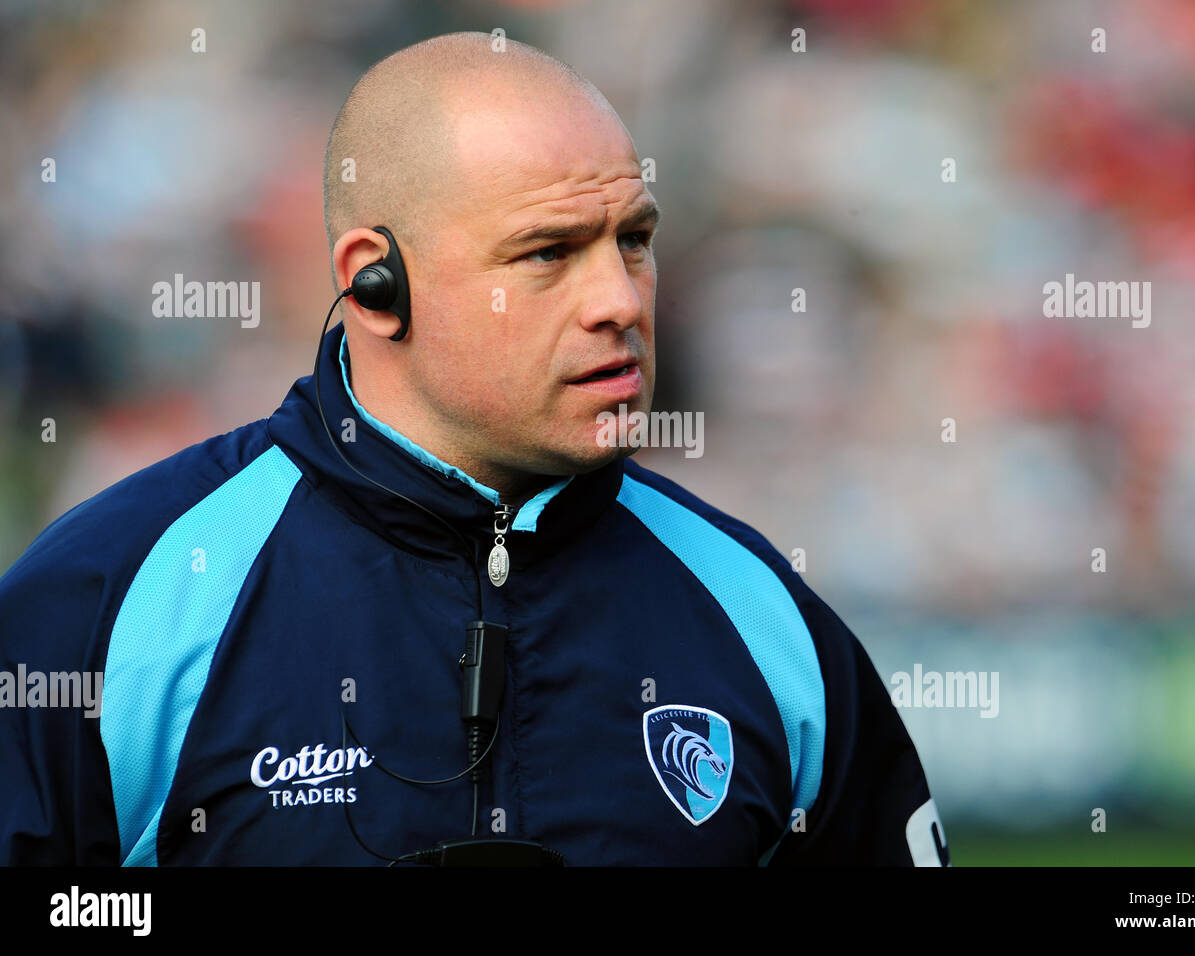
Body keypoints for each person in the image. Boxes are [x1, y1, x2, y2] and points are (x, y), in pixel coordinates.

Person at [0, 32, 946, 866]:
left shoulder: (762, 613)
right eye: (548, 253)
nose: (618, 300)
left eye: (634, 240)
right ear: (376, 283)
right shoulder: (117, 598)